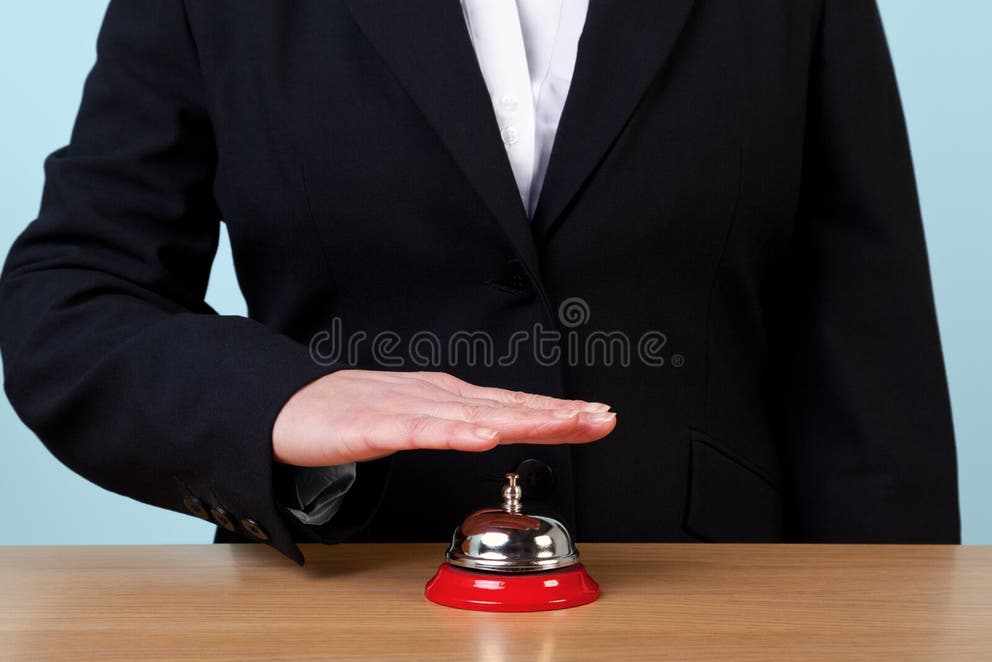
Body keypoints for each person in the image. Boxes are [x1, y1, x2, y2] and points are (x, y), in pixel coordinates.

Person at [0, 0, 959, 565]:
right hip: (336, 610)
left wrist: (901, 630)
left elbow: (872, 362)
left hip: (722, 612)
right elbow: (72, 296)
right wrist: (277, 403)